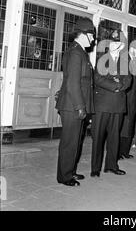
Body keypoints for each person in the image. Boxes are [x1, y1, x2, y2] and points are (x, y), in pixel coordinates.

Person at [56, 17, 95, 186]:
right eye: (91, 35)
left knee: (76, 141)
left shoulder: (80, 52)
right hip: (72, 105)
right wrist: (80, 106)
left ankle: (70, 170)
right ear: (82, 34)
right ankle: (64, 176)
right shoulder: (75, 52)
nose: (93, 39)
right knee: (69, 142)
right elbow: (72, 83)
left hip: (76, 104)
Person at [91, 29, 132, 176]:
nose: (116, 45)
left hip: (118, 105)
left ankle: (111, 165)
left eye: (119, 43)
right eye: (114, 42)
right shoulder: (102, 59)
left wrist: (119, 85)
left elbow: (128, 80)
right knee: (98, 137)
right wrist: (116, 85)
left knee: (114, 137)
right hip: (102, 104)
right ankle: (95, 169)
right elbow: (98, 79)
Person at [119, 37, 136, 159]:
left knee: (129, 126)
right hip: (123, 97)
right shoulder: (123, 60)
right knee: (120, 125)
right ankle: (117, 152)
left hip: (133, 99)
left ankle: (125, 151)